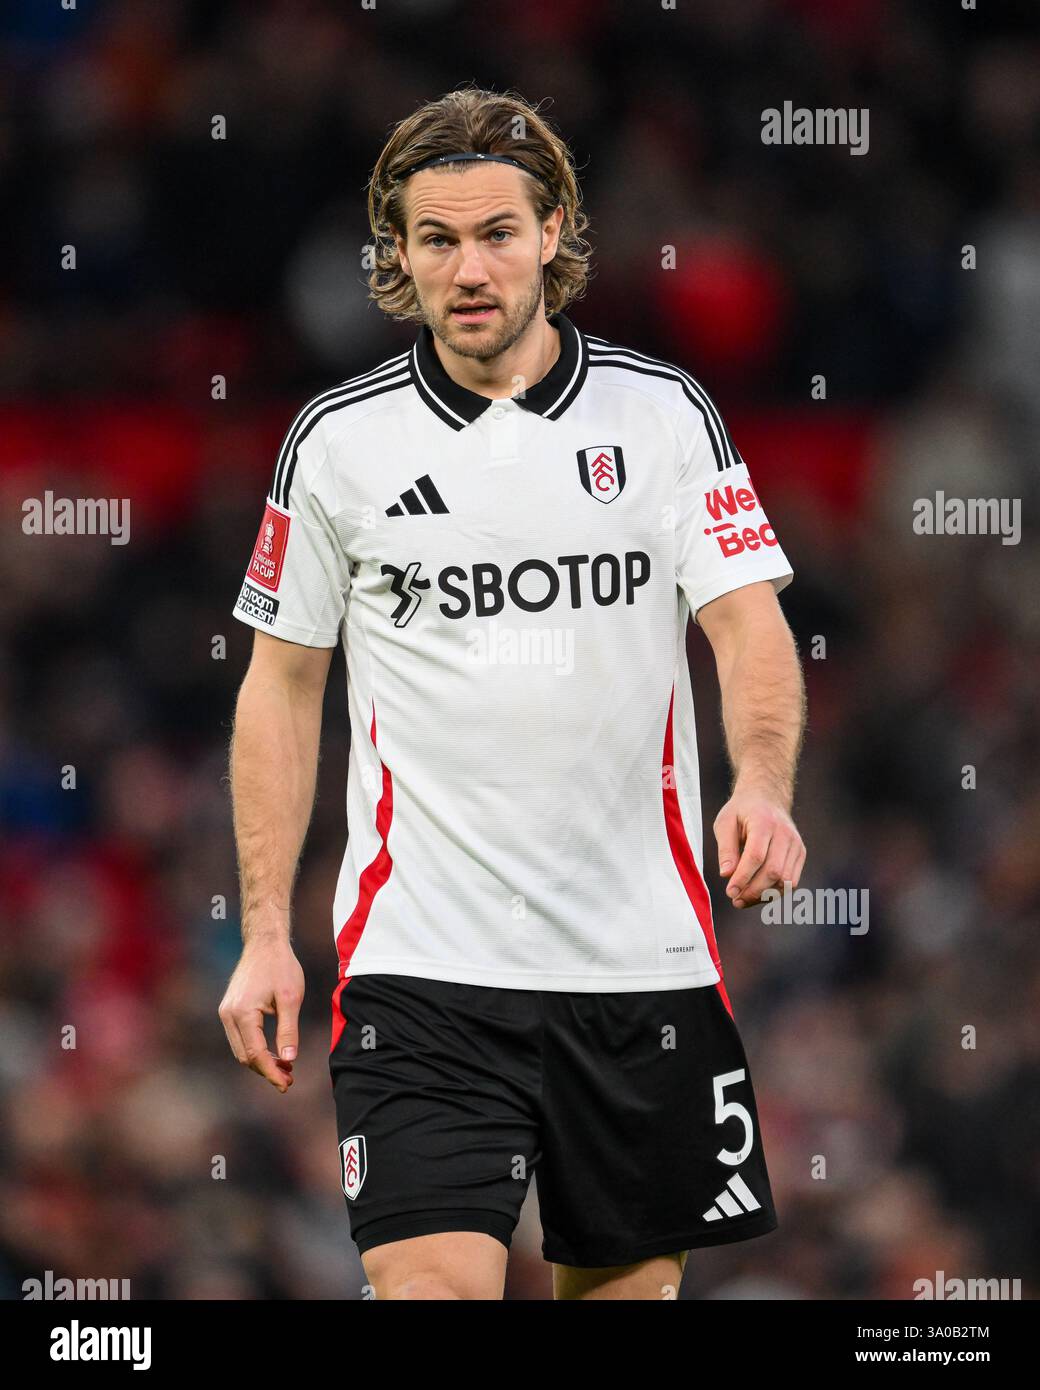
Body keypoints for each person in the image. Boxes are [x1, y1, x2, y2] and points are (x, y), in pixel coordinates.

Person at [219, 85, 806, 1301]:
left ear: (553, 233)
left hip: (638, 965)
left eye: (496, 232)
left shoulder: (662, 416)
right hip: (421, 968)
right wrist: (267, 930)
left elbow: (747, 625)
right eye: (434, 239)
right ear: (398, 256)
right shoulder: (337, 442)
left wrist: (761, 783)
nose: (467, 265)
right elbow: (280, 688)